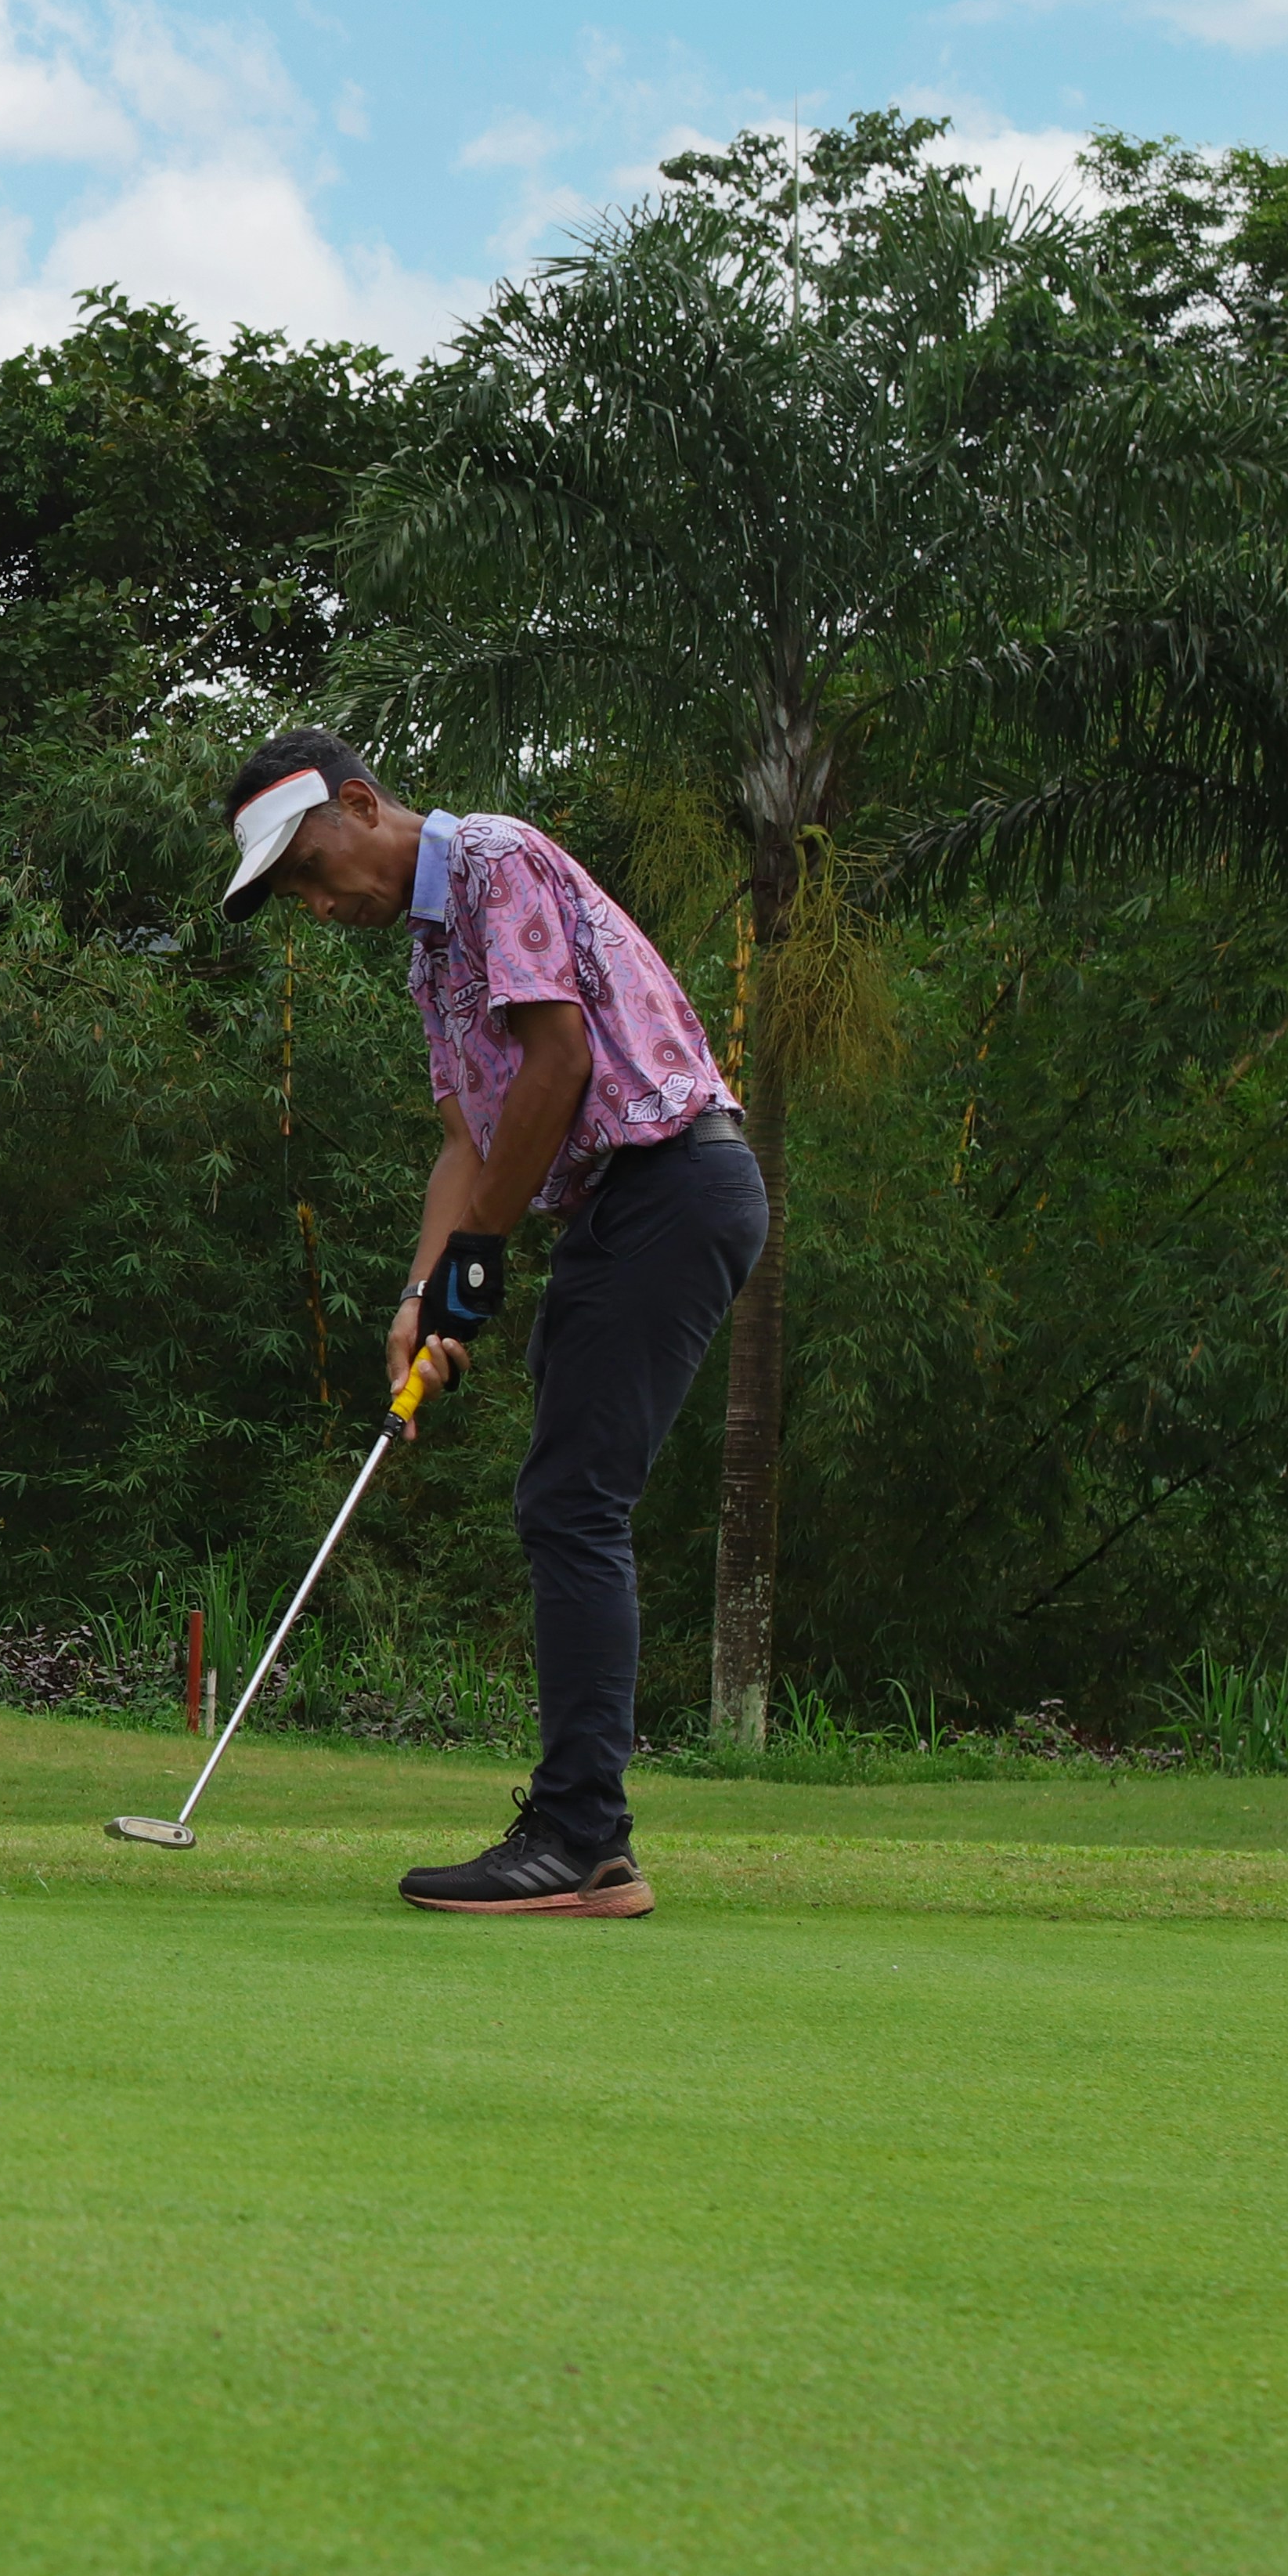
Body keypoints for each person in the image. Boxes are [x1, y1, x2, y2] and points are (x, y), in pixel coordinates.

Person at [220, 729, 770, 1916]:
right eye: (290, 897)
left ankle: (581, 1841)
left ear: (361, 805)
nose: (314, 905)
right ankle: (586, 1839)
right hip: (623, 1209)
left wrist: (477, 1261)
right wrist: (422, 1296)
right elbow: (468, 1140)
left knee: (573, 1503)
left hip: (671, 1184)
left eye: (311, 871)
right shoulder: (431, 957)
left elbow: (559, 1062)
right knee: (561, 1500)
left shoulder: (491, 860)